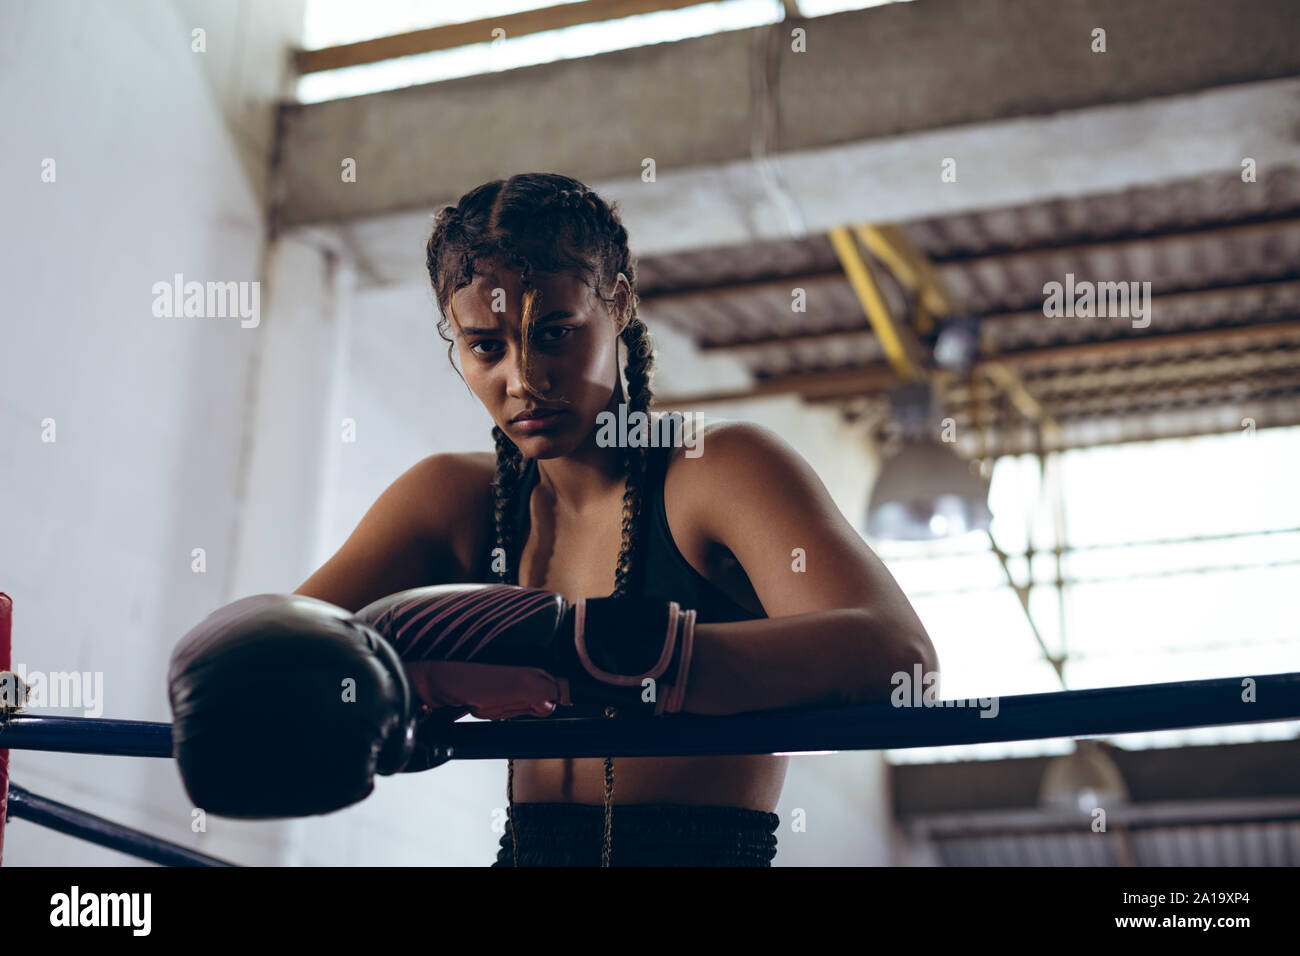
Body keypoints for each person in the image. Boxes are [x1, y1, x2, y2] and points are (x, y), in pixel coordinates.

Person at [294, 172, 938, 866]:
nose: (524, 378)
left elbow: (904, 665)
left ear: (620, 304)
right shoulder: (455, 499)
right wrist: (408, 678)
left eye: (555, 333)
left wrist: (576, 652)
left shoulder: (715, 468)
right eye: (487, 346)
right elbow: (259, 658)